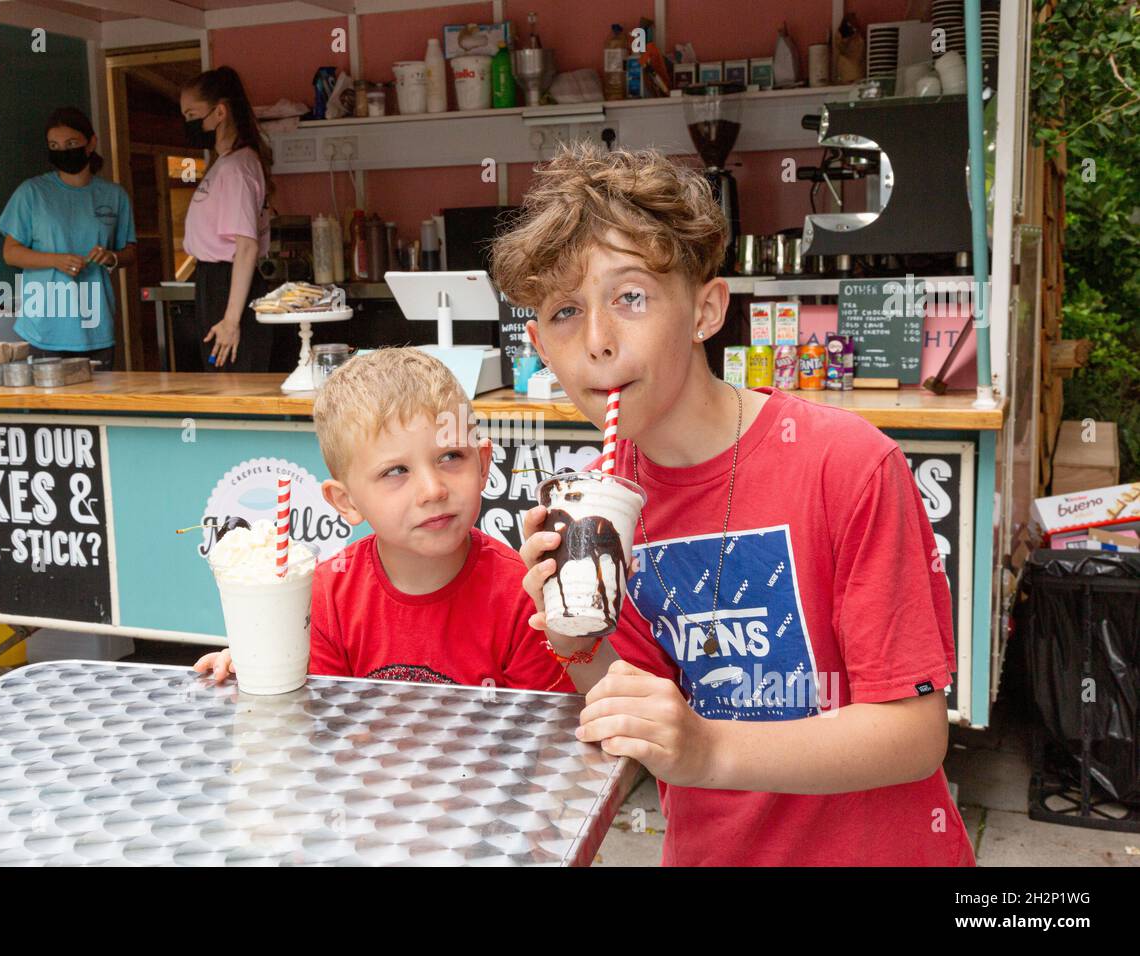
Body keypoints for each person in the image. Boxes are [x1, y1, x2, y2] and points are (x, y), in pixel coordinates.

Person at [492, 143, 976, 867]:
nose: (596, 341)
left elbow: (913, 736)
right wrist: (575, 638)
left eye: (630, 297)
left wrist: (711, 748)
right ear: (537, 346)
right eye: (565, 312)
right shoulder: (605, 498)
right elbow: (650, 715)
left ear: (706, 310)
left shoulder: (845, 466)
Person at [195, 348, 574, 691]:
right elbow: (321, 728)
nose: (432, 490)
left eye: (450, 457)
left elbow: (540, 740)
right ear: (346, 502)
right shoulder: (324, 598)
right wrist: (260, 675)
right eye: (395, 471)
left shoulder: (527, 596)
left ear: (483, 464)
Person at [0, 107, 136, 368]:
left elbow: (129, 252)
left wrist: (111, 257)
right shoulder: (32, 193)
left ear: (91, 143)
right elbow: (10, 252)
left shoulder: (114, 196)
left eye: (71, 143)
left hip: (96, 325)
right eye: (54, 145)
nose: (63, 151)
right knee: (49, 408)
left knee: (98, 407)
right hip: (44, 329)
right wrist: (55, 260)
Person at [179, 66, 283, 372]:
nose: (188, 123)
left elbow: (246, 246)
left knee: (233, 384)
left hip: (228, 284)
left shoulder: (238, 167)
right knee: (220, 383)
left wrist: (231, 320)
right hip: (214, 283)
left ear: (220, 112)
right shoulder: (225, 163)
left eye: (192, 114)